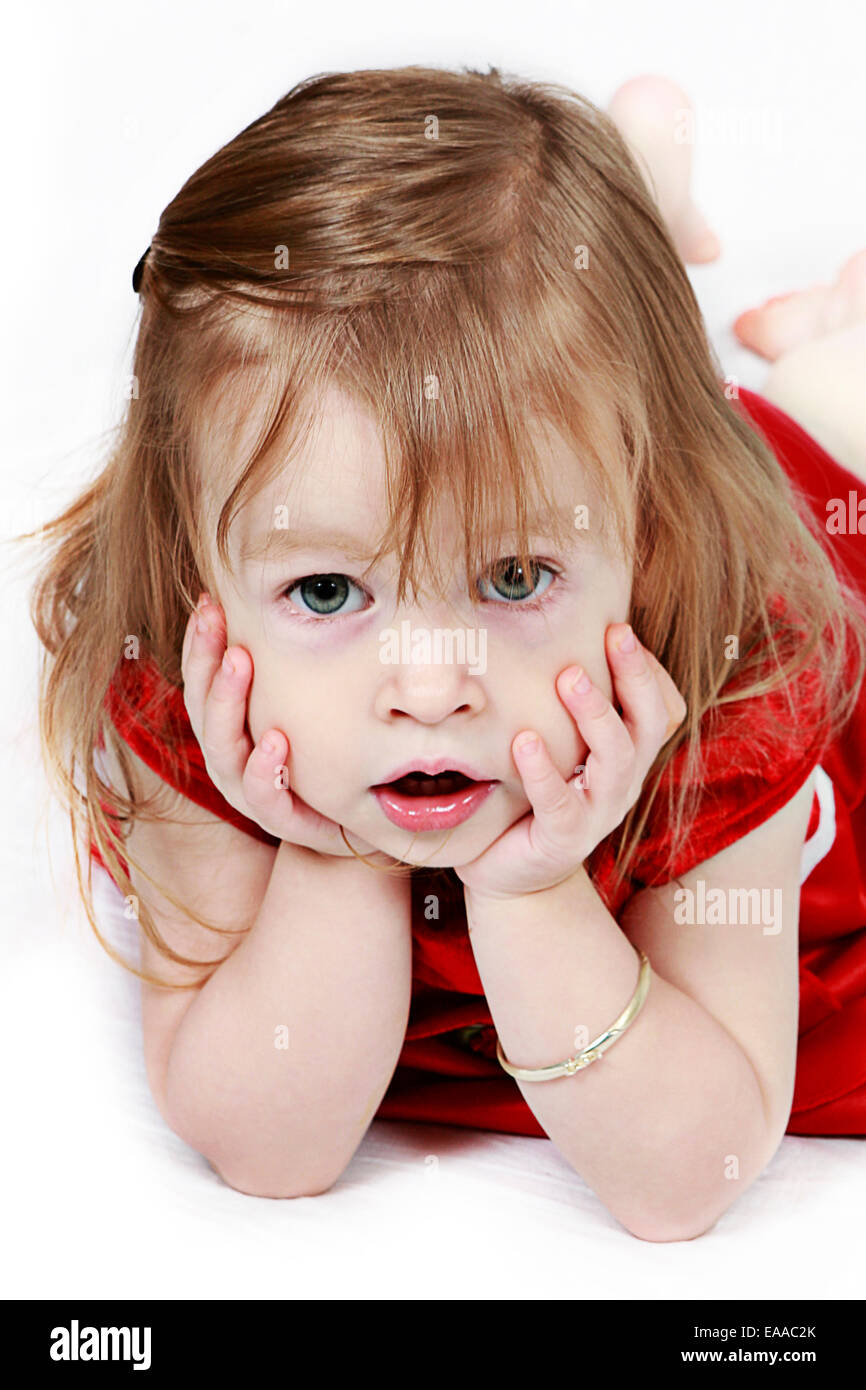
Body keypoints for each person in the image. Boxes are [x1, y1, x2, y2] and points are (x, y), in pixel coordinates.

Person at [26, 65, 866, 1241]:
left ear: (649, 550)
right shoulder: (205, 676)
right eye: (326, 589)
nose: (425, 688)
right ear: (197, 573)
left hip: (767, 506)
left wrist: (530, 896)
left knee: (825, 415)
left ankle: (803, 330)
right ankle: (649, 232)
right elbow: (271, 1150)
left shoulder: (732, 667)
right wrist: (335, 856)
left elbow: (688, 1175)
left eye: (514, 578)